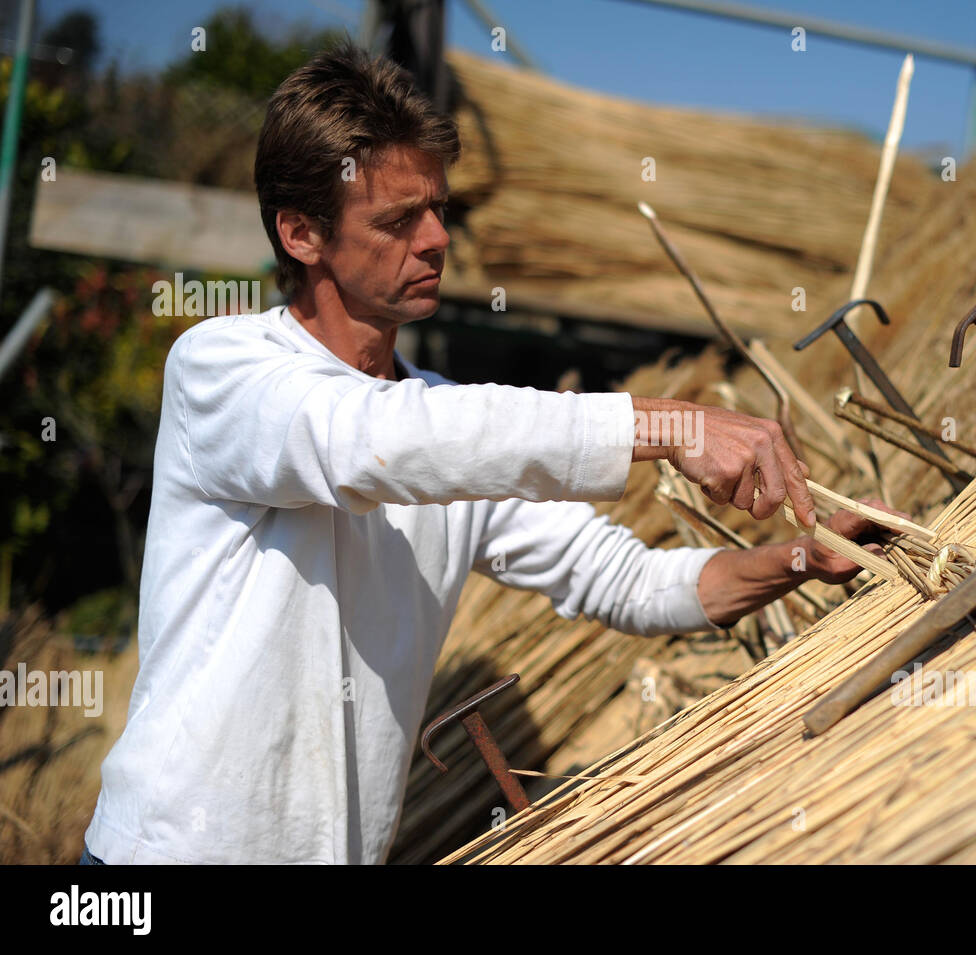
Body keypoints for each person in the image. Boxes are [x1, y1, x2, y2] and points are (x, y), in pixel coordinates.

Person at [81, 45, 898, 864]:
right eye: (398, 219)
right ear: (301, 233)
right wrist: (675, 427)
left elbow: (628, 582)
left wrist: (801, 555)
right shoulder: (224, 368)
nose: (437, 238)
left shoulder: (445, 430)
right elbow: (373, 445)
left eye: (437, 208)